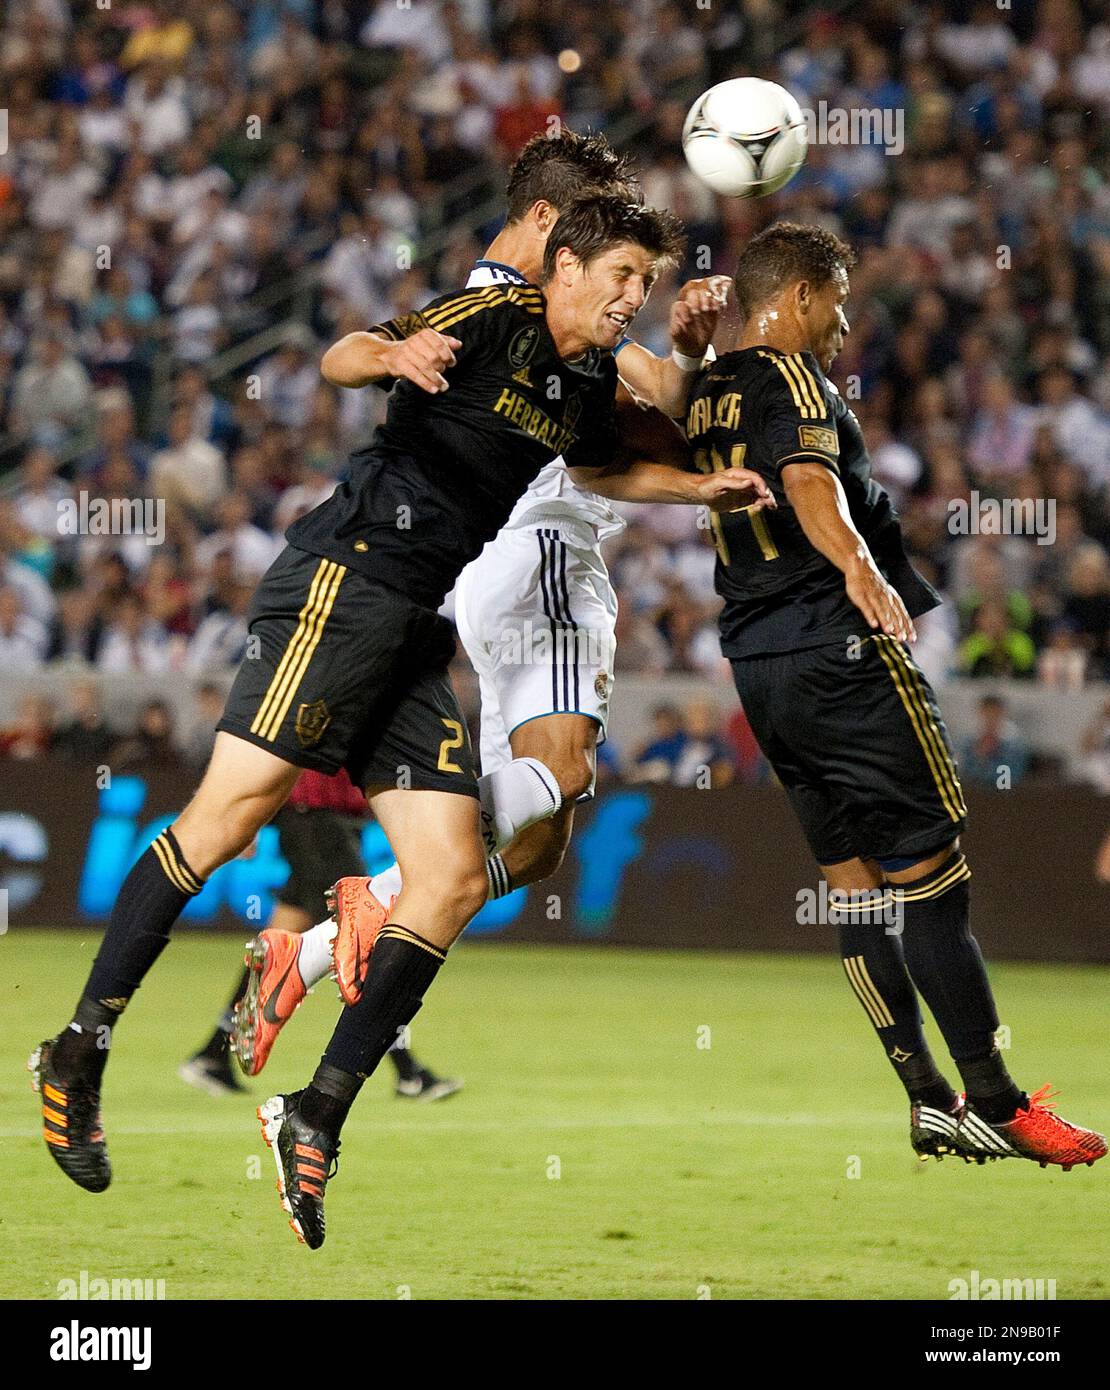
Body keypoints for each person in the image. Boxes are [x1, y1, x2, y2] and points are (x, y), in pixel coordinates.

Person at [30, 196, 767, 1251]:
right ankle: (80, 1047)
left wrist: (704, 491)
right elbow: (343, 352)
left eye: (645, 284)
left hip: (411, 625)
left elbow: (601, 467)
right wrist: (390, 354)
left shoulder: (588, 378)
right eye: (619, 277)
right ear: (563, 264)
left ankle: (316, 1110)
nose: (630, 298)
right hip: (344, 579)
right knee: (226, 820)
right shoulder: (494, 314)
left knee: (456, 876)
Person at [234, 131, 761, 1071]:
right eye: (613, 257)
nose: (625, 284)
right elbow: (668, 418)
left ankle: (303, 957)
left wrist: (686, 346)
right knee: (557, 774)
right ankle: (366, 909)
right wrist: (682, 389)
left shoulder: (542, 311)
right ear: (558, 232)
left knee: (536, 842)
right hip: (544, 544)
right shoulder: (512, 311)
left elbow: (671, 396)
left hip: (489, 566)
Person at [684, 220, 1105, 1171]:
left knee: (857, 893)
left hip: (761, 666)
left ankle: (926, 1098)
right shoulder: (791, 380)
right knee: (935, 881)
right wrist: (861, 569)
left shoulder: (708, 392)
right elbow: (806, 480)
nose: (841, 326)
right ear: (793, 298)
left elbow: (665, 407)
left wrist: (683, 341)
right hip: (839, 653)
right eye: (833, 303)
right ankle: (996, 1101)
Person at [179, 767, 461, 1102]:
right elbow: (282, 746)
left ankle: (214, 1051)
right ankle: (406, 1069)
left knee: (281, 943)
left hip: (323, 819)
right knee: (369, 935)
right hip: (317, 819)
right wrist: (248, 815)